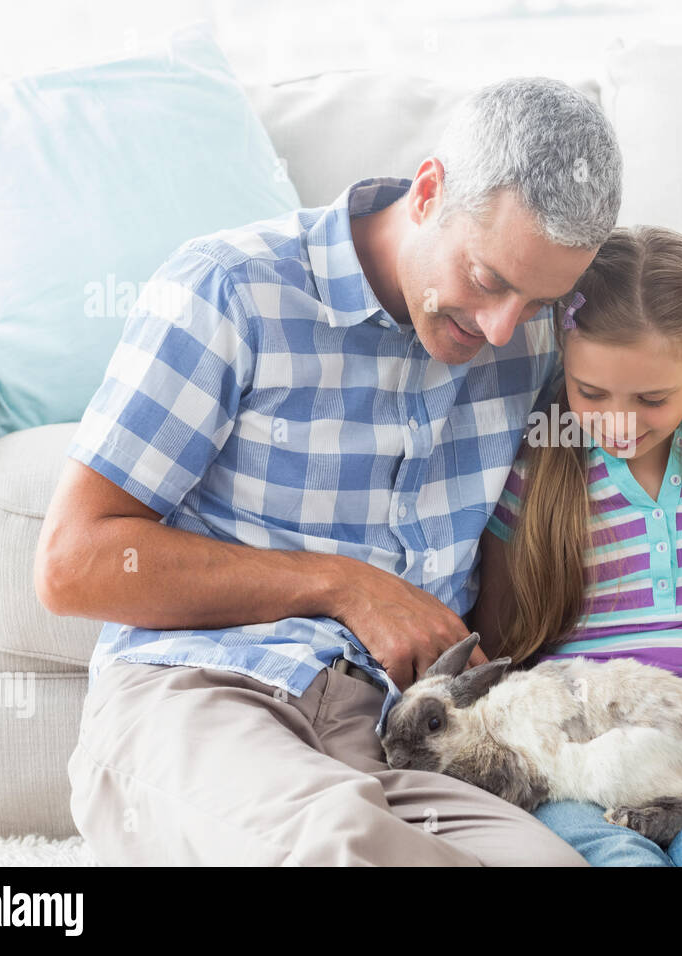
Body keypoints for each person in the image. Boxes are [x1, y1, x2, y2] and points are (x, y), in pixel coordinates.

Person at [35, 77, 622, 866]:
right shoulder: (230, 289)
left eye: (540, 298)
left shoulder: (537, 333)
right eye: (487, 280)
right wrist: (346, 585)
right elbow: (73, 564)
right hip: (203, 695)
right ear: (428, 191)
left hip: (394, 736)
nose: (500, 328)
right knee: (343, 851)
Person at [471, 225, 682, 866]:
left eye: (652, 399)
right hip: (575, 761)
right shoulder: (539, 472)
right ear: (564, 351)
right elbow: (499, 636)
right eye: (591, 393)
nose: (619, 422)